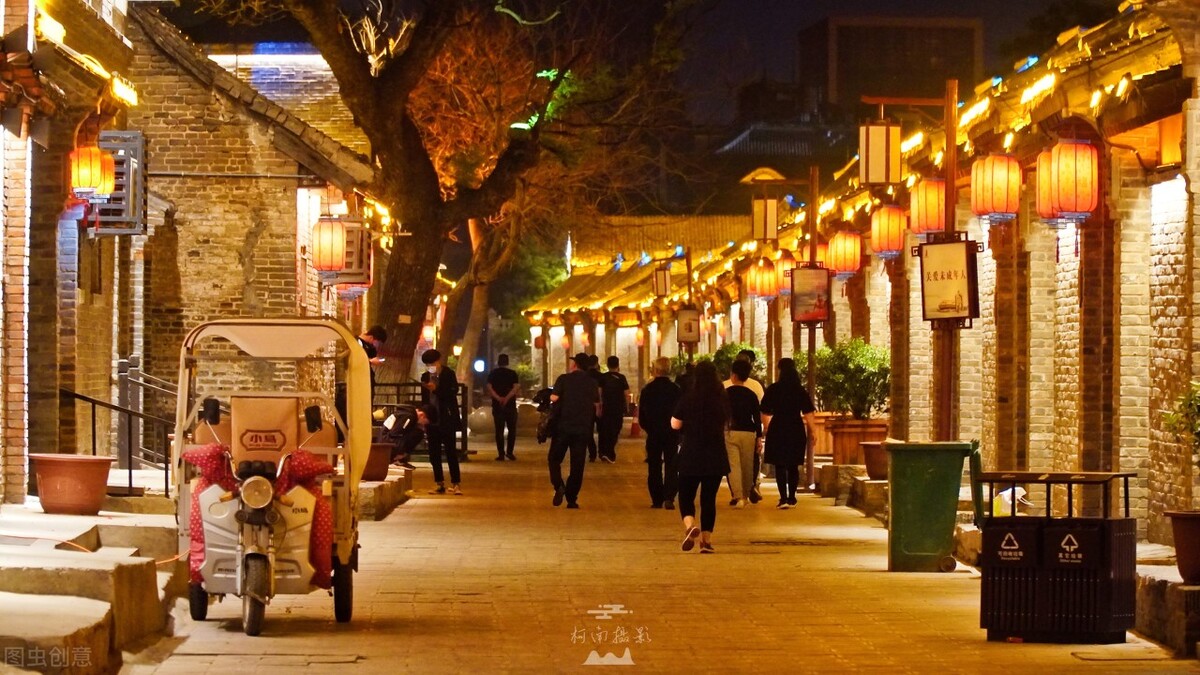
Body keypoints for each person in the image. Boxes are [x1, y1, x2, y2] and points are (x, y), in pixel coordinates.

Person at [671, 360, 730, 553]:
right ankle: (706, 541)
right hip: (715, 453)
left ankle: (690, 526)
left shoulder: (689, 398)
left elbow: (675, 425)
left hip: (691, 452)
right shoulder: (722, 398)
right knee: (708, 499)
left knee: (686, 495)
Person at [759, 358, 816, 509]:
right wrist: (813, 431)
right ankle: (792, 497)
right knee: (793, 464)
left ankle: (783, 498)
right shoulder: (799, 389)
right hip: (795, 427)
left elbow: (764, 410)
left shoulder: (774, 389)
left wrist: (766, 427)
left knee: (780, 464)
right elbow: (808, 412)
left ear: (780, 371)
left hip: (778, 426)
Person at [548, 353, 600, 508]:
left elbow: (554, 398)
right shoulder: (592, 382)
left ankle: (559, 486)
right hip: (582, 428)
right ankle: (572, 498)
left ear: (575, 364)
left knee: (554, 459)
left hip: (562, 427)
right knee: (577, 465)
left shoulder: (564, 379)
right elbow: (597, 403)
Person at [638, 357, 681, 509]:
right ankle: (669, 496)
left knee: (654, 465)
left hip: (654, 433)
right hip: (672, 432)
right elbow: (681, 412)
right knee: (672, 464)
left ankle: (656, 498)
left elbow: (641, 415)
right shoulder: (676, 390)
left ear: (655, 370)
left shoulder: (647, 390)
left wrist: (648, 428)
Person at [722, 349, 764, 503]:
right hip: (748, 432)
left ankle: (738, 495)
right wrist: (759, 436)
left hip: (731, 431)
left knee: (733, 465)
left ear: (733, 375)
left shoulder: (725, 392)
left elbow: (722, 414)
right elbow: (756, 417)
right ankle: (746, 493)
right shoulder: (751, 394)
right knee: (748, 465)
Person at [420, 349, 463, 495]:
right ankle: (439, 482)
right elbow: (425, 400)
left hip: (446, 418)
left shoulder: (448, 374)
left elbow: (452, 392)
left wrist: (436, 389)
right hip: (432, 420)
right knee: (434, 453)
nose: (430, 366)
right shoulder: (425, 376)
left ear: (439, 361)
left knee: (451, 452)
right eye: (427, 364)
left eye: (432, 363)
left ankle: (456, 483)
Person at [486, 353, 520, 460]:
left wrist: (498, 398)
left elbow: (489, 388)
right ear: (507, 362)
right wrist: (507, 398)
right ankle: (510, 452)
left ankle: (501, 454)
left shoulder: (493, 373)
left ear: (498, 362)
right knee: (512, 430)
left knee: (499, 430)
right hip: (510, 405)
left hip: (497, 405)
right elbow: (515, 388)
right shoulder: (512, 373)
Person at [597, 355, 630, 463]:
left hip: (606, 407)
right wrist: (628, 407)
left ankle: (603, 452)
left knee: (604, 429)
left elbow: (599, 392)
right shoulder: (621, 378)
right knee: (615, 429)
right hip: (618, 408)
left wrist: (600, 405)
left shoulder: (603, 377)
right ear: (618, 365)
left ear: (607, 365)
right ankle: (609, 452)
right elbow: (626, 394)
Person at [585, 354, 603, 462]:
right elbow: (602, 391)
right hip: (600, 405)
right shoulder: (601, 376)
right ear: (597, 363)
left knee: (588, 431)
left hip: (588, 406)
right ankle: (601, 452)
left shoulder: (584, 376)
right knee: (602, 431)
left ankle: (592, 453)